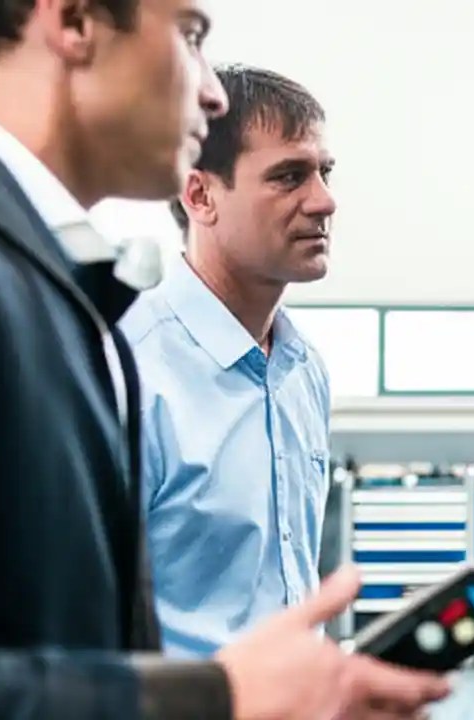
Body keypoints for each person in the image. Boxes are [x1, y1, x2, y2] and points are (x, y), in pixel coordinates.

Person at [0, 1, 449, 718]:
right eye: (190, 36)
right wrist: (215, 698)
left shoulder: (39, 279)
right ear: (75, 21)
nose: (209, 92)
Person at [118, 62, 337, 658]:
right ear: (200, 195)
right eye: (289, 176)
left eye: (324, 172)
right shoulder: (130, 373)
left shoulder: (302, 369)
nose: (323, 200)